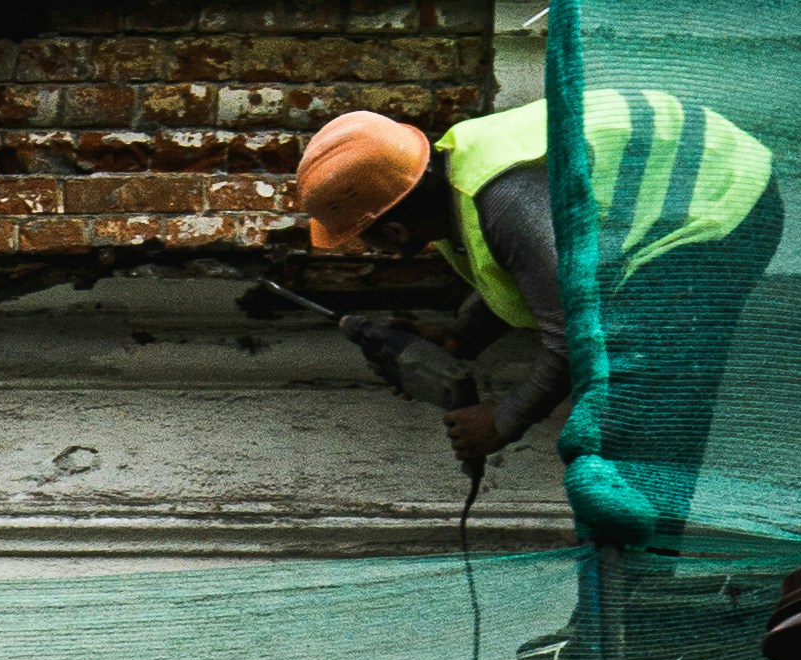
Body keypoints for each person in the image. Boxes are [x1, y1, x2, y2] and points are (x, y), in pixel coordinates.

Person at [291, 84, 781, 540]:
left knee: (642, 392)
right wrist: (459, 338)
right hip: (687, 188)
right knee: (628, 391)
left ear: (393, 232)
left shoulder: (505, 199)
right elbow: (523, 270)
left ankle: (646, 574)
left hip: (722, 198)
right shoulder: (455, 188)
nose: (367, 249)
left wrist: (503, 420)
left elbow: (575, 332)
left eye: (363, 237)